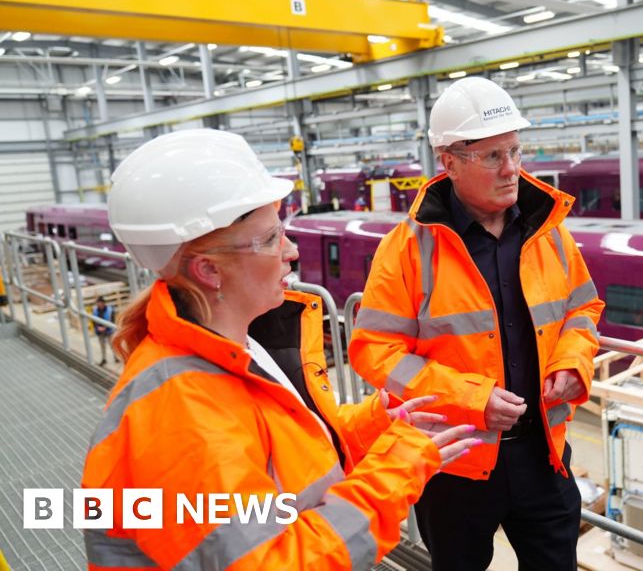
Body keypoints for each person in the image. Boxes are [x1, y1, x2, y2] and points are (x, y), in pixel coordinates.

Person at [81, 129, 479, 570]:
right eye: (270, 238)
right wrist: (396, 470)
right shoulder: (181, 414)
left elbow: (283, 464)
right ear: (210, 270)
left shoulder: (235, 349)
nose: (290, 251)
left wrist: (372, 426)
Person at [349, 76, 604, 570]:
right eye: (492, 156)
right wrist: (469, 399)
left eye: (515, 151)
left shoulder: (549, 233)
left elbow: (583, 309)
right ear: (450, 163)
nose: (511, 169)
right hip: (454, 462)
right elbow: (374, 350)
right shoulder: (408, 249)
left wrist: (574, 362)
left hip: (544, 454)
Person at [92, 296, 114, 365]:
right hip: (100, 332)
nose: (99, 304)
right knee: (102, 346)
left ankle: (116, 357)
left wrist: (105, 328)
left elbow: (112, 320)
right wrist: (97, 328)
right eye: (98, 303)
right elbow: (93, 321)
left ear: (104, 303)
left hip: (109, 331)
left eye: (100, 303)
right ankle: (104, 359)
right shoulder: (95, 311)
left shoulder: (110, 310)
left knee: (112, 345)